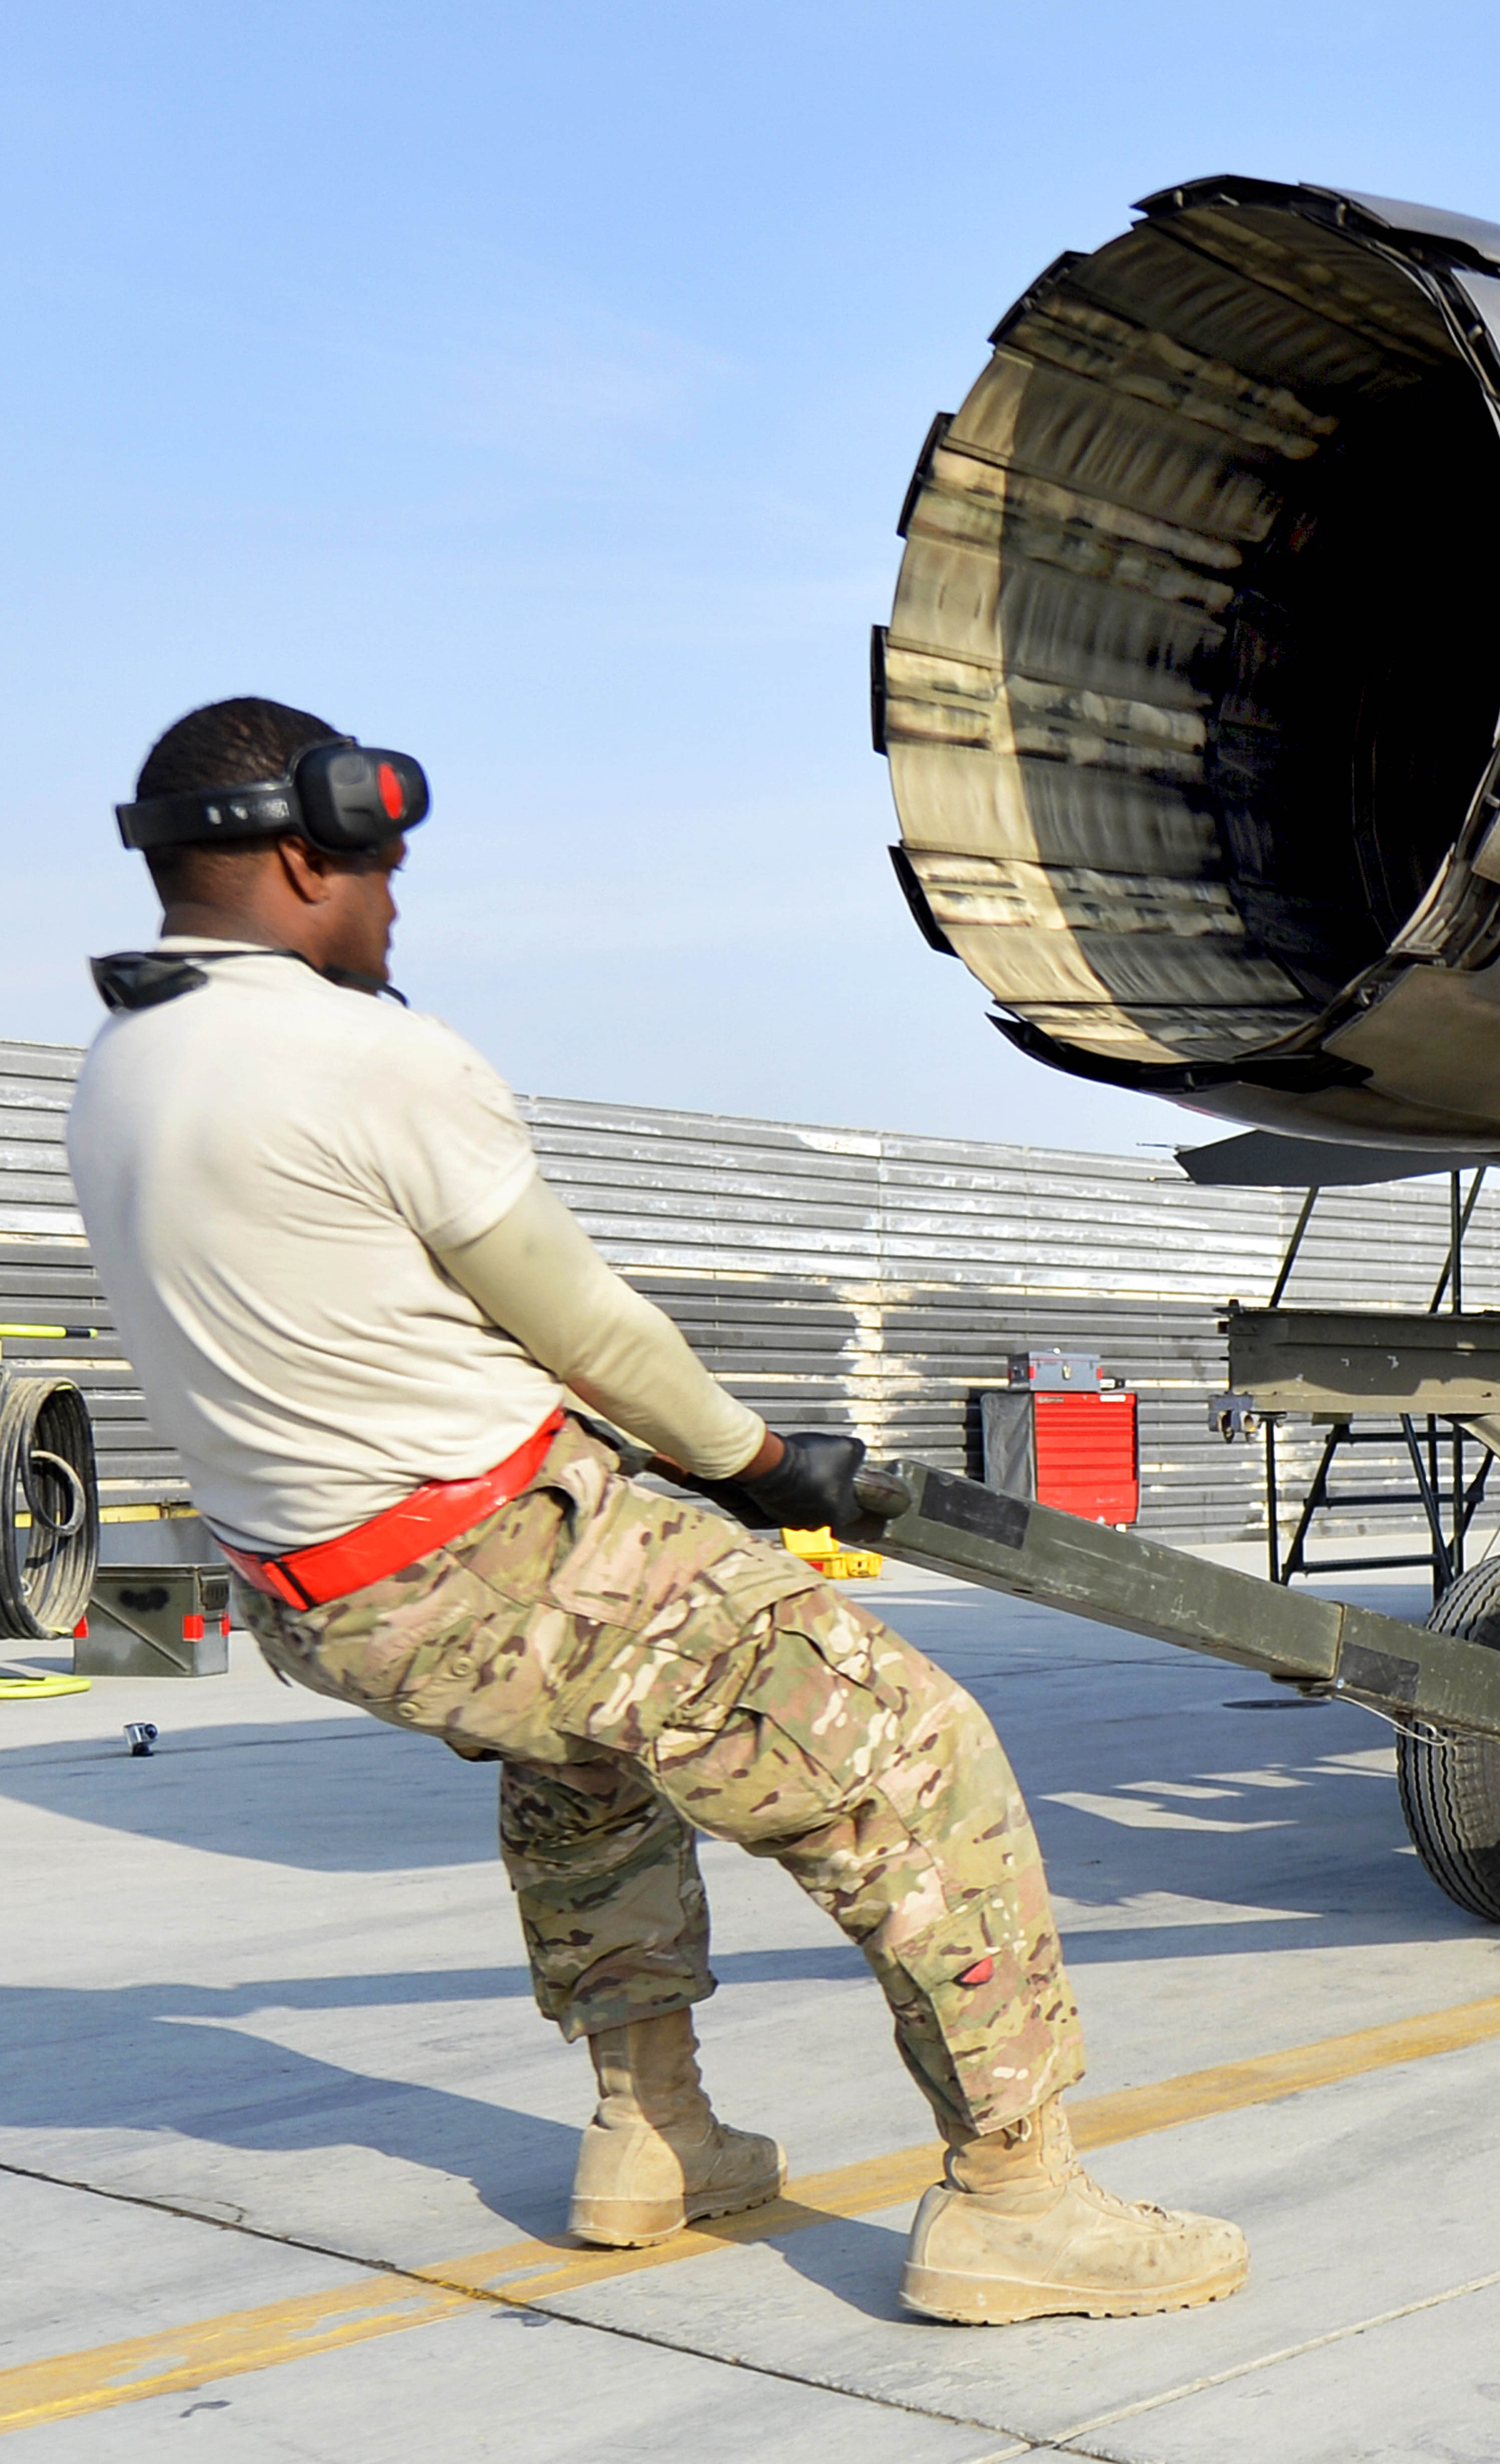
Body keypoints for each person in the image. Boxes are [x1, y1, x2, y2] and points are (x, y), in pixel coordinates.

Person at [64, 698, 1250, 2325]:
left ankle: (654, 2129)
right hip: (490, 1553)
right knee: (917, 1751)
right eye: (382, 872)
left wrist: (654, 1461)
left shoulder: (126, 1064)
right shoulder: (372, 1056)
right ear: (299, 856)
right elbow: (590, 1328)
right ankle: (1018, 2197)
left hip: (325, 1600)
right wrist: (757, 1461)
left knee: (590, 1749)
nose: (397, 905)